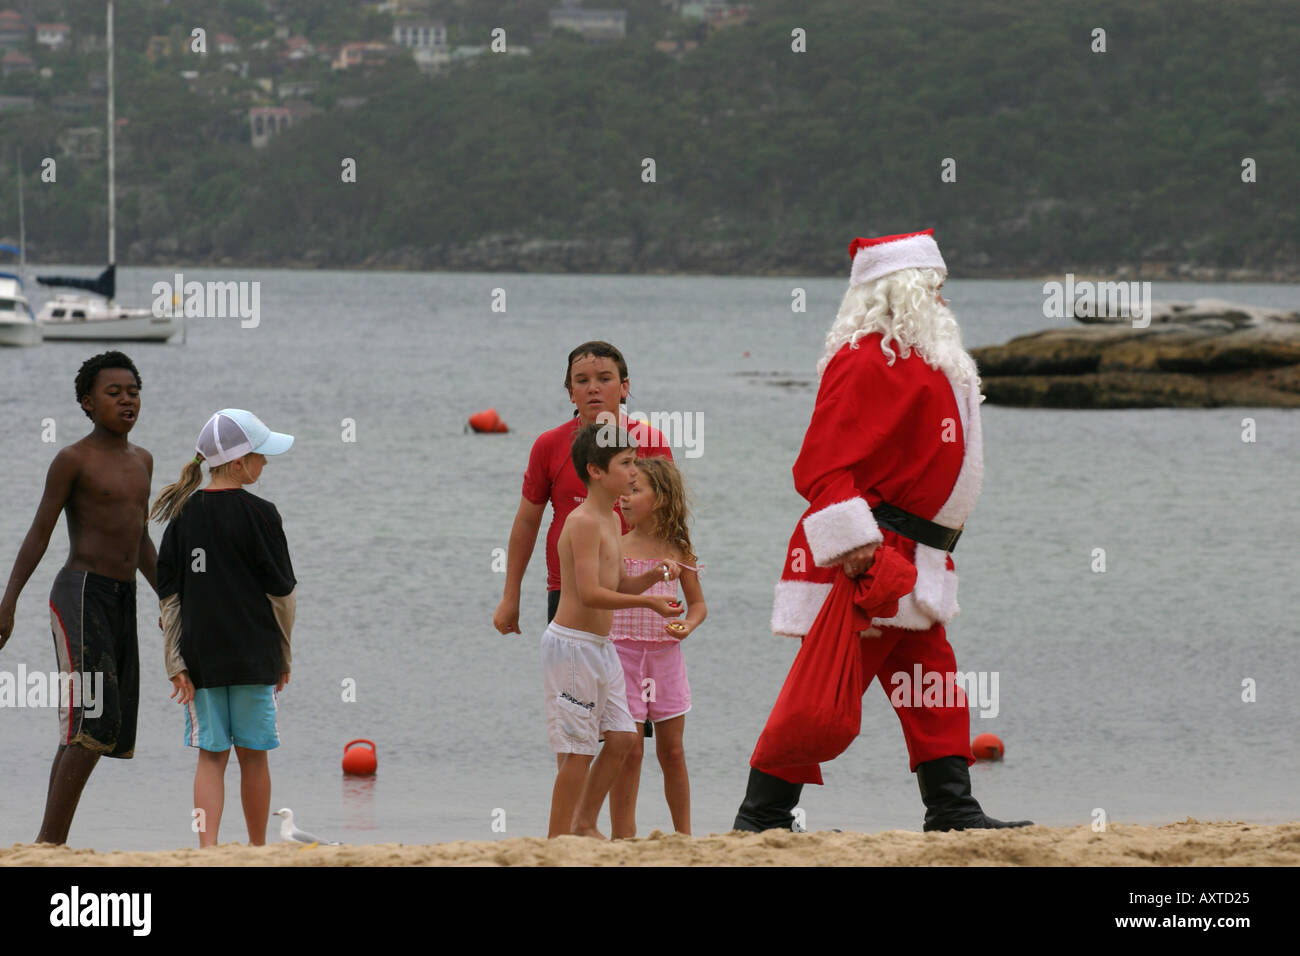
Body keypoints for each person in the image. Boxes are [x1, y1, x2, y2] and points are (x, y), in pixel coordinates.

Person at [733, 229, 1033, 833]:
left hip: (915, 557)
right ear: (904, 289)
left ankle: (952, 809)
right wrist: (859, 550)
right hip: (873, 554)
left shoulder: (926, 360)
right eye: (933, 286)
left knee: (934, 683)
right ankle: (761, 816)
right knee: (826, 688)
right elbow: (821, 465)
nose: (942, 297)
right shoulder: (866, 358)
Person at [0, 351, 156, 845]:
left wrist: (173, 599)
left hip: (122, 597)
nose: (126, 400)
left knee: (97, 729)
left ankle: (48, 843)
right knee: (93, 719)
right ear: (88, 403)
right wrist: (9, 602)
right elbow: (39, 532)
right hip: (81, 594)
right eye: (114, 393)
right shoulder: (73, 458)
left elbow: (141, 539)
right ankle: (49, 843)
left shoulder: (143, 461)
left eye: (133, 391)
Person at [151, 409, 297, 848]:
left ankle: (207, 851)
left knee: (210, 758)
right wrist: (284, 656)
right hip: (255, 655)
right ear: (238, 463)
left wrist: (174, 662)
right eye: (260, 456)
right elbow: (282, 597)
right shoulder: (263, 515)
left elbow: (169, 599)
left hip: (200, 658)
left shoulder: (182, 515)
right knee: (254, 756)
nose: (265, 464)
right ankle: (257, 848)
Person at [544, 423, 682, 838]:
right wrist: (649, 603)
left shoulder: (610, 519)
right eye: (626, 463)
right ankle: (556, 842)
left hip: (600, 646)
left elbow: (618, 582)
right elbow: (589, 593)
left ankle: (584, 823)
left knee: (623, 737)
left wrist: (654, 577)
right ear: (596, 471)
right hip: (572, 647)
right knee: (577, 751)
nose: (634, 471)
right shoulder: (583, 521)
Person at [493, 341, 673, 636]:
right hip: (569, 589)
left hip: (637, 584)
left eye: (604, 379)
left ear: (624, 387)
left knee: (638, 680)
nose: (593, 388)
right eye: (582, 380)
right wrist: (511, 596)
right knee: (574, 679)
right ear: (570, 393)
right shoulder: (549, 445)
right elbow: (527, 522)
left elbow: (668, 517)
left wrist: (678, 582)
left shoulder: (650, 442)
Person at [608, 457, 706, 837]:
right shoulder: (616, 546)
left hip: (666, 658)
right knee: (629, 751)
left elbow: (698, 604)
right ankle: (623, 837)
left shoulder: (680, 550)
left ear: (661, 498)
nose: (625, 498)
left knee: (673, 753)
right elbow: (609, 593)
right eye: (624, 491)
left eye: (635, 491)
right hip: (622, 656)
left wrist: (688, 624)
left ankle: (684, 836)